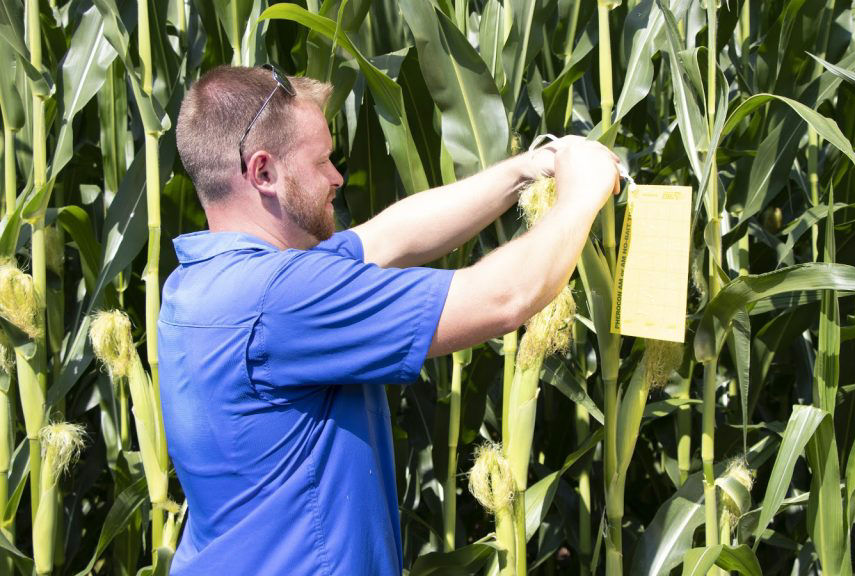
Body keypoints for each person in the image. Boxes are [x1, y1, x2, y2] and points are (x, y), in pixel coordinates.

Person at [159, 64, 620, 575]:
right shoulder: (283, 301)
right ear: (263, 172)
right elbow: (506, 297)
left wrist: (528, 168)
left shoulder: (201, 282)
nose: (336, 177)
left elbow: (391, 236)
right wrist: (586, 187)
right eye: (322, 162)